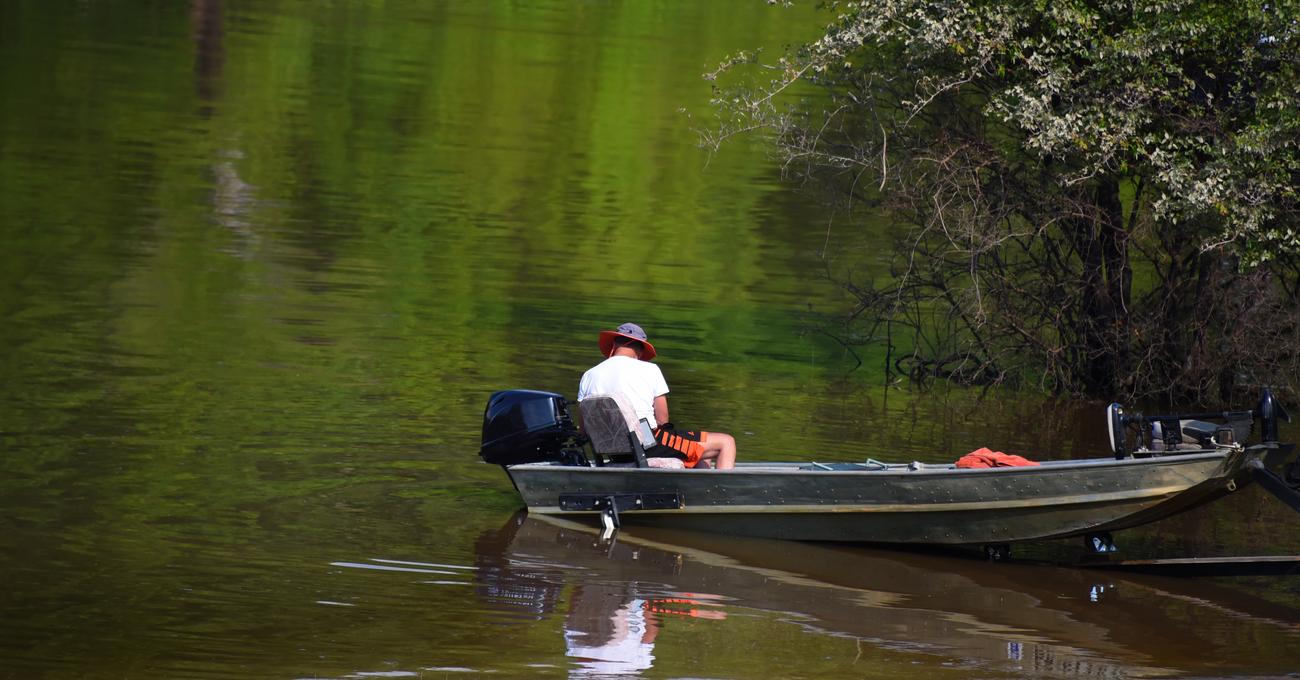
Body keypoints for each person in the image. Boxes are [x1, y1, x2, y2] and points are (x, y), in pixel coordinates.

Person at [577, 322, 737, 470]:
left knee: (699, 454)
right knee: (726, 442)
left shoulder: (589, 375)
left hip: (609, 449)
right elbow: (662, 419)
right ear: (639, 350)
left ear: (614, 345)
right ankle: (724, 495)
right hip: (647, 440)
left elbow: (585, 429)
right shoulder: (650, 369)